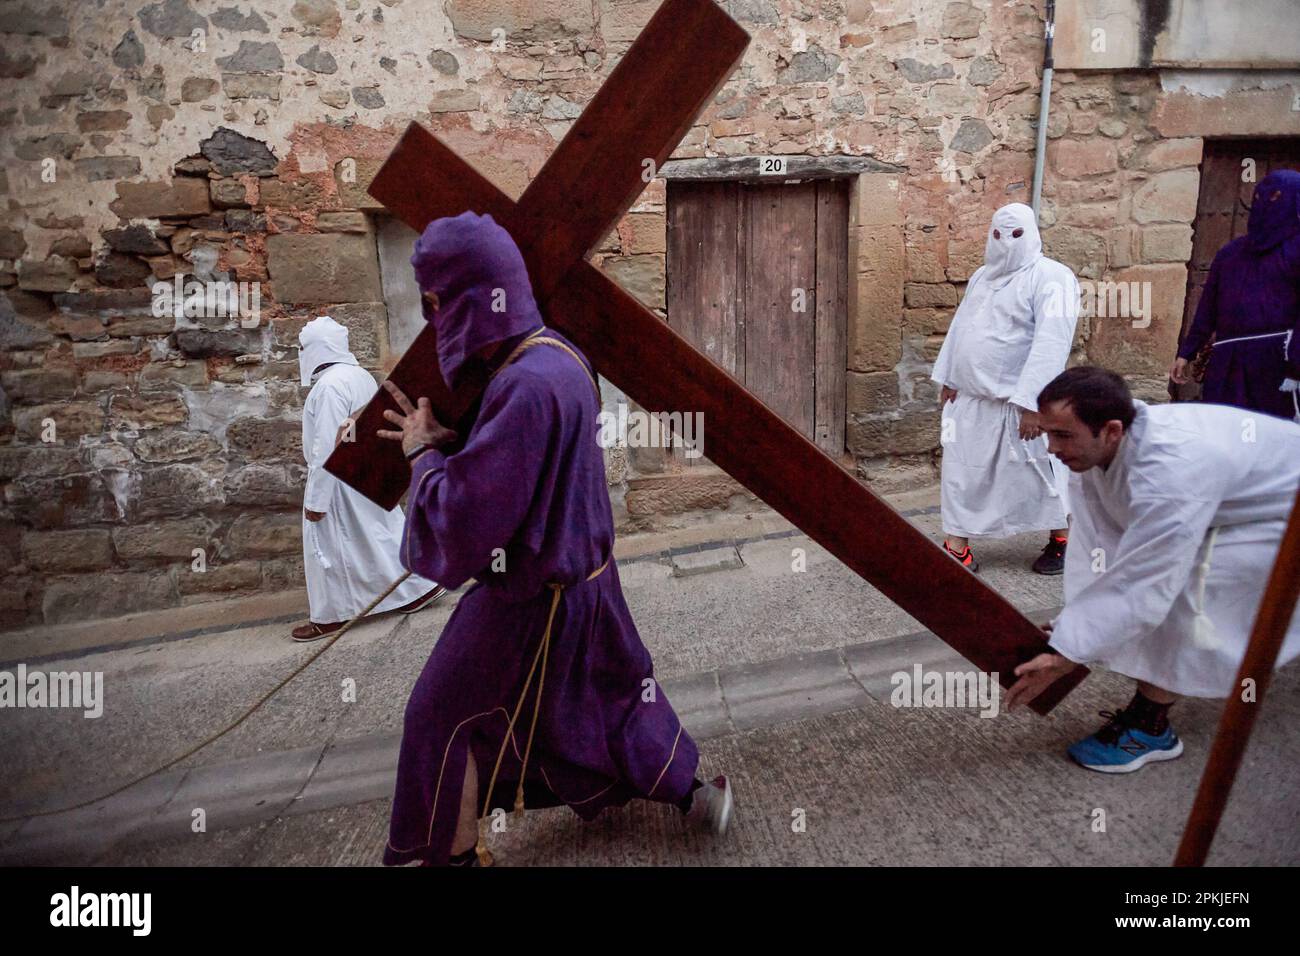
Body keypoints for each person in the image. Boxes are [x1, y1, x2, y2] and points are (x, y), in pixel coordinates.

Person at [378, 211, 731, 867]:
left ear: (475, 295)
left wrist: (423, 457)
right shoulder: (559, 356)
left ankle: (447, 858)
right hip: (588, 586)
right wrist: (471, 448)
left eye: (437, 303)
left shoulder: (522, 387)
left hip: (529, 601)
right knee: (608, 703)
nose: (433, 321)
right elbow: (529, 471)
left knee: (440, 718)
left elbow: (465, 524)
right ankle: (695, 794)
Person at [1006, 366, 1300, 773]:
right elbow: (1101, 545)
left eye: (1062, 435)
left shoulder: (1172, 470)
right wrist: (1071, 629)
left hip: (1284, 510)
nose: (1051, 448)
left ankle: (1150, 727)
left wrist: (1067, 656)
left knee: (1190, 587)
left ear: (1110, 430)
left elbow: (1146, 581)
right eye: (1048, 433)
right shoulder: (1095, 452)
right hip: (1237, 504)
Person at [930, 202, 1079, 575]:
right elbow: (962, 325)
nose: (1006, 243)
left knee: (1039, 475)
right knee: (963, 471)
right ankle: (956, 545)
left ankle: (1062, 540)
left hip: (1018, 403)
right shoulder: (983, 276)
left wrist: (1034, 404)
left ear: (1031, 234)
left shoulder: (1052, 278)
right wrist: (949, 375)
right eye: (998, 234)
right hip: (972, 400)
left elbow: (1052, 341)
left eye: (1015, 235)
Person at [294, 315, 443, 642]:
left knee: (330, 548)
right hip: (362, 470)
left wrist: (317, 500)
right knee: (380, 534)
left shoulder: (329, 386)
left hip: (338, 478)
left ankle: (330, 615)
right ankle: (419, 587)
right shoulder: (357, 374)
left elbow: (325, 448)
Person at [1171, 169, 1300, 422]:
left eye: (1277, 197)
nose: (1267, 203)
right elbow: (1208, 307)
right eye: (1264, 196)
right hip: (1227, 364)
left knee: (1270, 441)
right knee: (1224, 435)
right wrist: (1187, 352)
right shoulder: (1231, 253)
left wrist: (1296, 364)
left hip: (1275, 365)